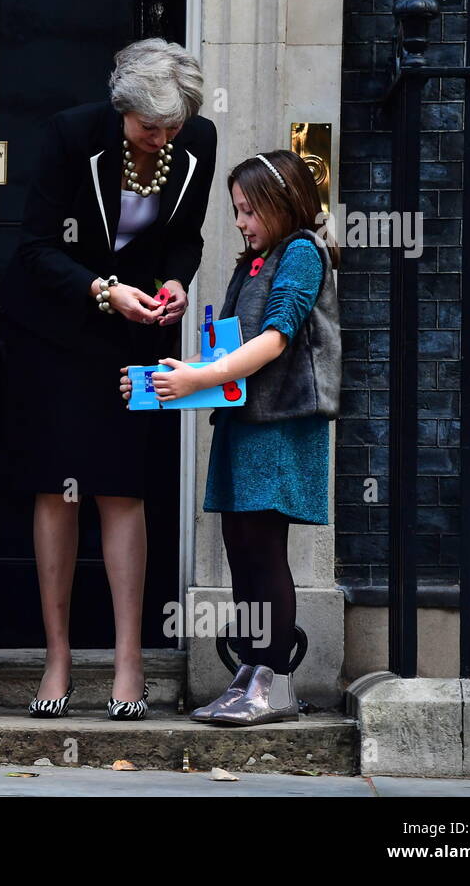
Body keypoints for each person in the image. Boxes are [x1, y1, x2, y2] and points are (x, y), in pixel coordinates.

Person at [0, 38, 216, 720]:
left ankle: (130, 659)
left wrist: (176, 281)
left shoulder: (197, 140)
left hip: (137, 335)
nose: (161, 139)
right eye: (149, 128)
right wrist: (102, 289)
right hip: (58, 333)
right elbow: (33, 247)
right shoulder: (71, 135)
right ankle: (58, 654)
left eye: (172, 127)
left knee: (124, 487)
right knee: (58, 489)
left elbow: (185, 236)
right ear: (122, 111)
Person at [120, 150, 341, 726]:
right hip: (246, 426)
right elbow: (227, 355)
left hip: (281, 429)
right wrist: (161, 382)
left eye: (247, 211)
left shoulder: (300, 252)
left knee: (264, 550)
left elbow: (275, 339)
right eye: (237, 211)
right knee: (243, 550)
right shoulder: (257, 258)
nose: (240, 222)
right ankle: (250, 675)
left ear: (281, 202)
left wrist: (196, 376)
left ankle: (274, 683)